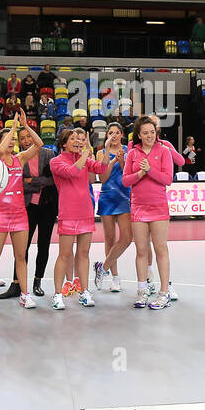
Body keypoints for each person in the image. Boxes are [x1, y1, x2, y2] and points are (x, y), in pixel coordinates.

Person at [0, 110, 44, 313]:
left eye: (13, 139)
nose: (12, 142)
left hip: (19, 215)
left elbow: (39, 144)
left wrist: (24, 126)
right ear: (0, 142)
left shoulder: (20, 158)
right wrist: (13, 127)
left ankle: (25, 295)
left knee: (21, 257)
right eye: (9, 139)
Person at [50, 126, 114, 310]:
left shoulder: (84, 159)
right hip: (68, 214)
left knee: (84, 254)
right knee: (64, 255)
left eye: (79, 139)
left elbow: (101, 168)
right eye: (73, 139)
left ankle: (84, 291)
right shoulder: (56, 162)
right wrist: (86, 154)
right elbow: (71, 172)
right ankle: (57, 294)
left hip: (86, 211)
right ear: (63, 144)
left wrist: (106, 148)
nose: (77, 142)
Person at [0, 125, 57, 300]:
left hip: (47, 205)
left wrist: (32, 180)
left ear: (34, 137)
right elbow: (18, 184)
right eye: (22, 138)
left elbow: (53, 179)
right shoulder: (18, 158)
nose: (26, 141)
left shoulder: (48, 154)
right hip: (27, 206)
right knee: (21, 247)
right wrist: (36, 183)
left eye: (28, 137)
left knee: (44, 244)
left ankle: (37, 282)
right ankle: (16, 284)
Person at [123, 117, 175, 309]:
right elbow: (126, 181)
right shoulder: (132, 154)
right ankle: (142, 291)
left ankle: (164, 293)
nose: (149, 136)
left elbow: (167, 179)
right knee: (141, 251)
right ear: (138, 135)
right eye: (145, 133)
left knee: (161, 249)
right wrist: (140, 173)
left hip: (159, 207)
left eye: (152, 132)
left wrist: (150, 170)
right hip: (138, 207)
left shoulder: (164, 152)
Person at [93, 122, 132, 294]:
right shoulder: (101, 152)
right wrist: (112, 158)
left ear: (122, 134)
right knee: (109, 239)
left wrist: (122, 161)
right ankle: (115, 277)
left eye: (117, 132)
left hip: (124, 197)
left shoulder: (129, 151)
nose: (114, 135)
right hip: (107, 197)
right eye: (111, 133)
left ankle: (103, 267)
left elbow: (127, 176)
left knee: (127, 237)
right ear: (107, 135)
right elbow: (102, 178)